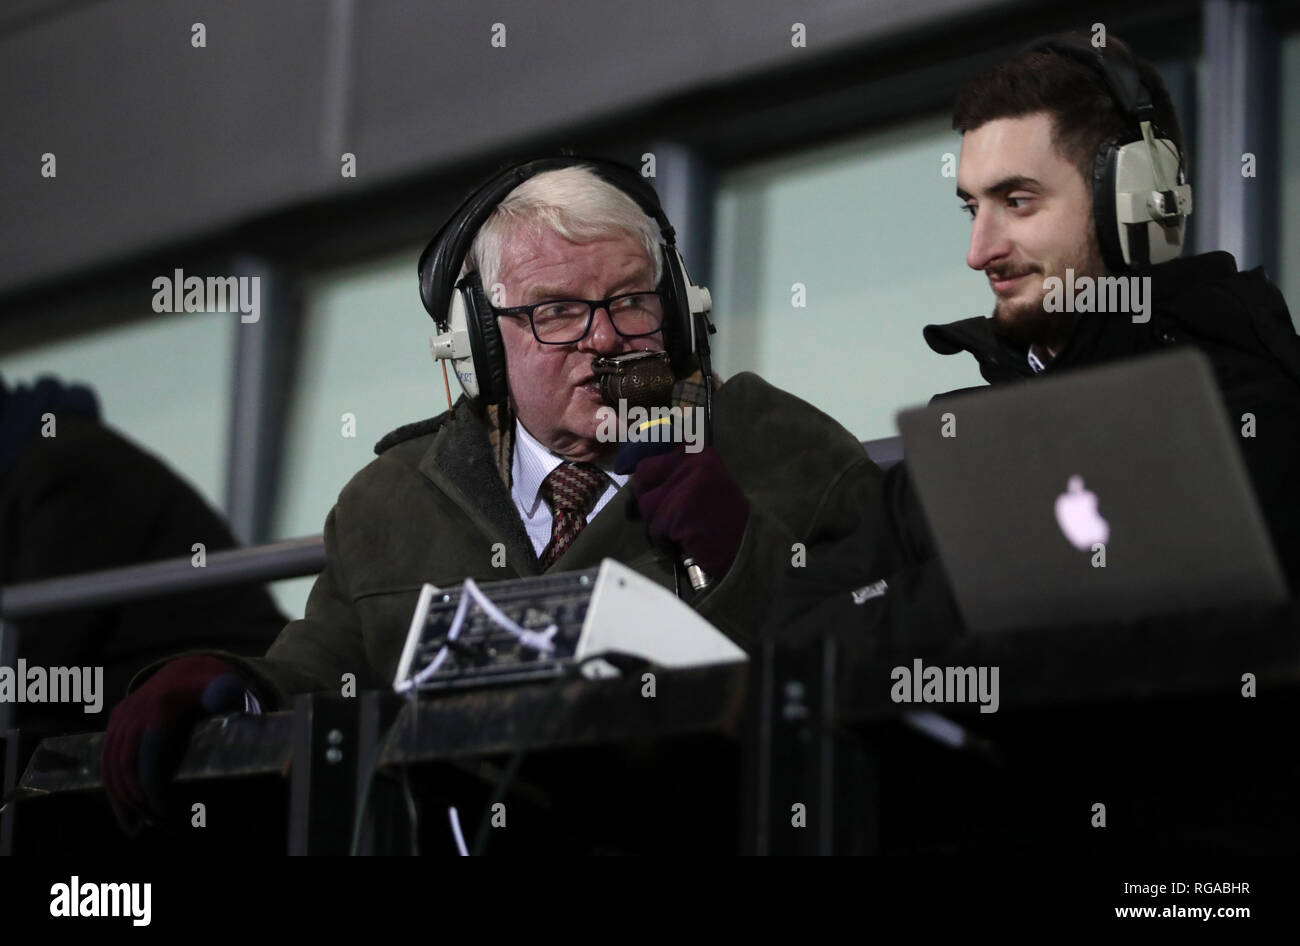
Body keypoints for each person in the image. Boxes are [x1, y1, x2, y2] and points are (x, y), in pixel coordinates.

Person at [102, 157, 895, 834]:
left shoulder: (779, 445)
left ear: (678, 312)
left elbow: (873, 659)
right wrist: (228, 682)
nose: (607, 338)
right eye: (556, 312)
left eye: (630, 300)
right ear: (484, 347)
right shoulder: (389, 501)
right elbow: (327, 675)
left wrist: (738, 558)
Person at [884, 31, 1300, 597]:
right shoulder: (957, 438)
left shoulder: (1249, 418)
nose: (978, 252)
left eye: (1017, 202)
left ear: (1137, 203)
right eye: (971, 209)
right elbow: (807, 614)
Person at [0, 374, 286, 740]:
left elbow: (43, 661)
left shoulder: (64, 468)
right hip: (176, 706)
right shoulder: (46, 460)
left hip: (227, 706)